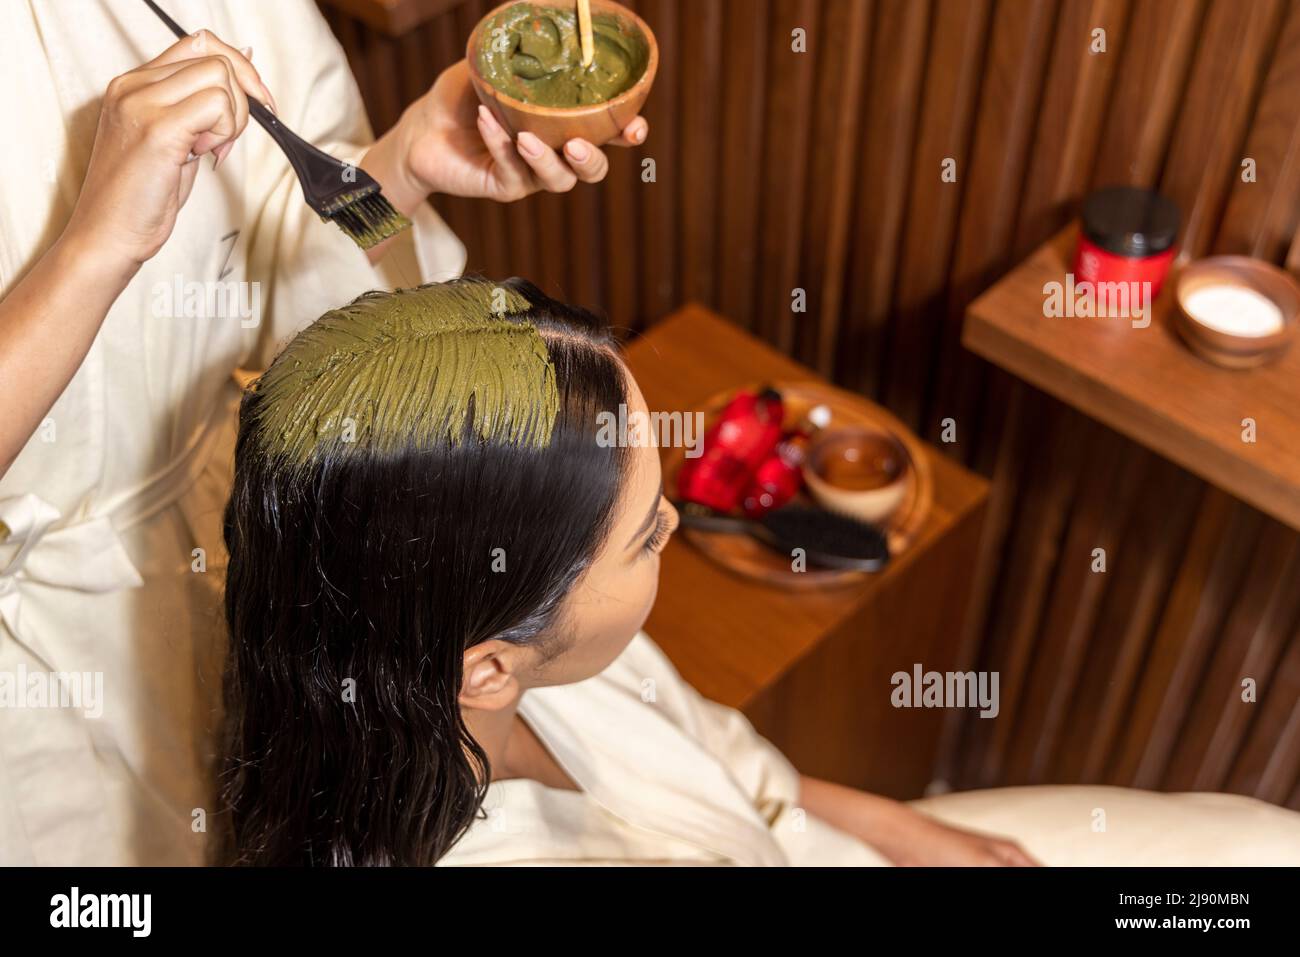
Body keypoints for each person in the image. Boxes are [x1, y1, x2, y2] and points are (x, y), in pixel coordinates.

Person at [220, 277, 1300, 866]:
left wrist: (896, 827)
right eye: (645, 534)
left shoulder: (524, 668)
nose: (674, 535)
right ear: (487, 666)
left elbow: (733, 759)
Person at [0, 0, 647, 866]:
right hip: (42, 638)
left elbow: (299, 301)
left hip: (254, 520)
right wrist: (95, 248)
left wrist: (404, 168)